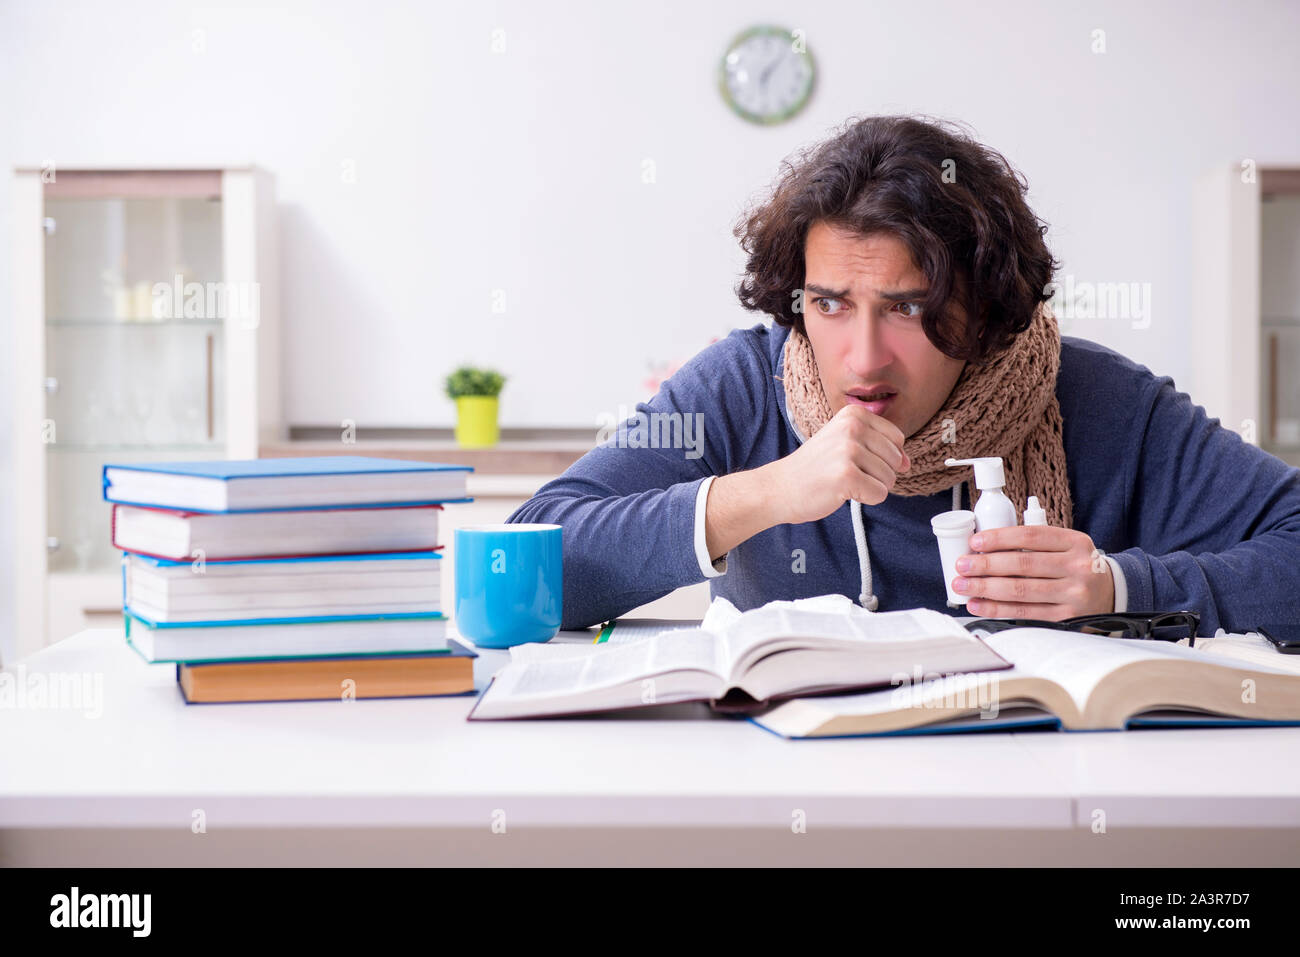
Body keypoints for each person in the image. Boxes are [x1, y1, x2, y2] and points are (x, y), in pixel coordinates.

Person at [507, 114, 1300, 635]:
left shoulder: (1096, 401)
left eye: (910, 308)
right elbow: (528, 566)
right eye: (830, 304)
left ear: (983, 307)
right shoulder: (743, 387)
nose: (862, 357)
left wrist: (1118, 586)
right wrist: (769, 491)